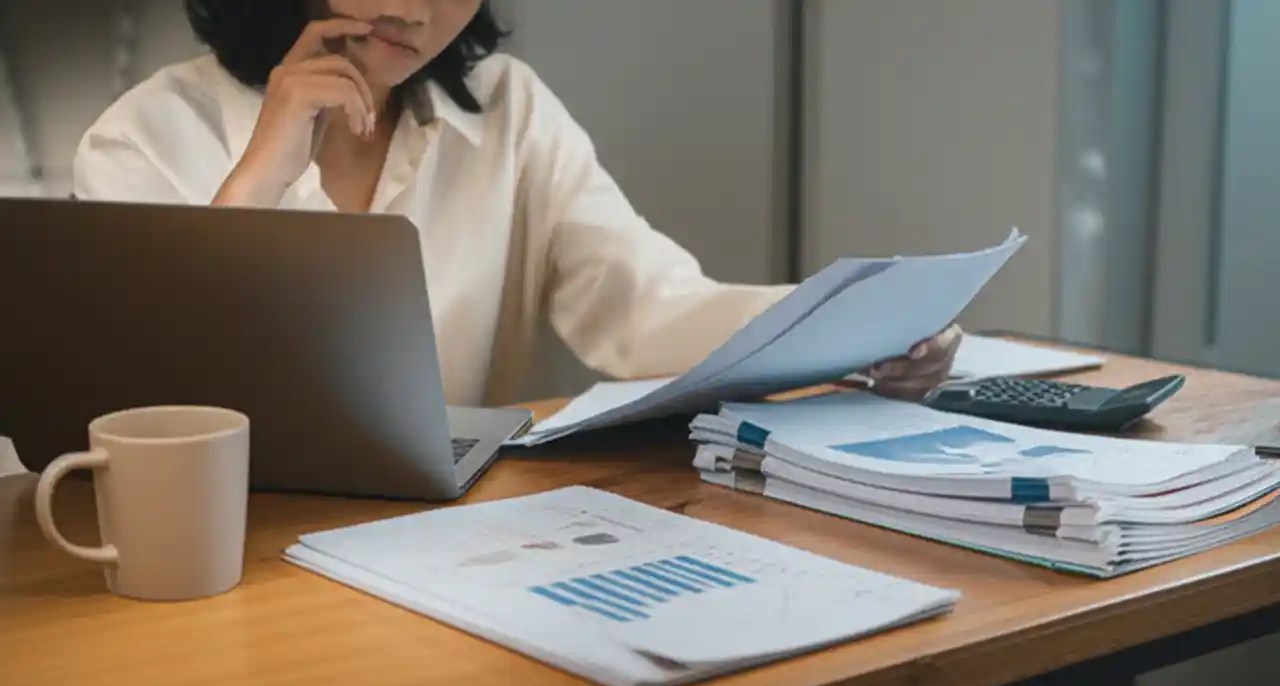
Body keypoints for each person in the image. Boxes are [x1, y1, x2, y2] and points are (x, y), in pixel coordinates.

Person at [73, 0, 962, 406]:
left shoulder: (506, 107)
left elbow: (651, 309)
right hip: (219, 565)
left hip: (443, 549)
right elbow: (132, 408)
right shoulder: (146, 134)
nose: (415, 7)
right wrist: (259, 178)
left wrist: (849, 329)